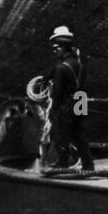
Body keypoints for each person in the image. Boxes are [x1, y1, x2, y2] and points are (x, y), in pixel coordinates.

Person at [38, 26, 94, 171]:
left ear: (63, 48)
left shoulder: (61, 68)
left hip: (68, 102)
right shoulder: (79, 65)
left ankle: (62, 163)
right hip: (81, 99)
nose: (54, 50)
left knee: (60, 132)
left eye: (56, 48)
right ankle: (88, 165)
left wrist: (53, 110)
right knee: (79, 133)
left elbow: (57, 92)